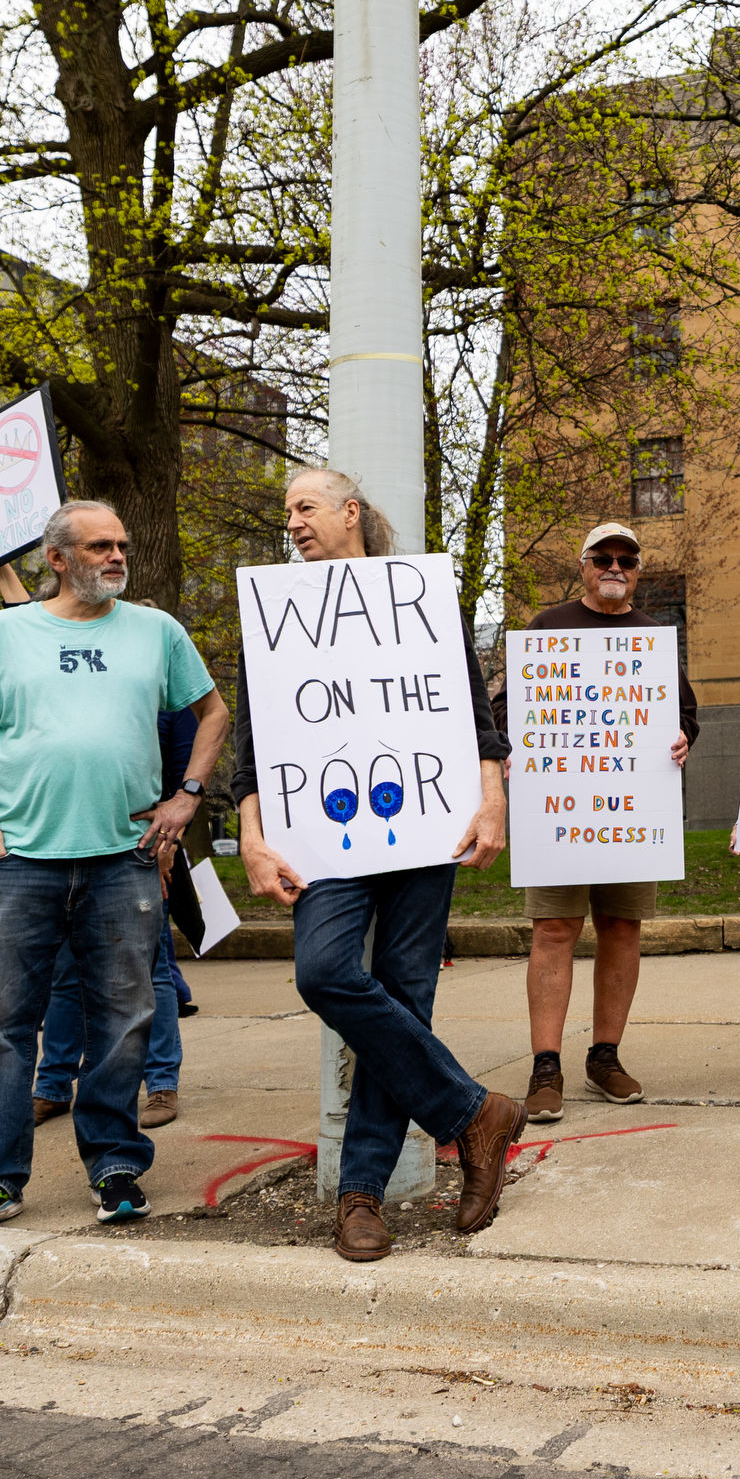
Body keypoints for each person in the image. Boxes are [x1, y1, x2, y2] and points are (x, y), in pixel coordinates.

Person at [235, 466, 524, 1264]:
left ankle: (360, 1193)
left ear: (351, 511)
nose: (293, 521)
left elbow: (475, 718)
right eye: (287, 510)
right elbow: (255, 742)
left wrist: (491, 801)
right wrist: (253, 836)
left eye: (305, 506)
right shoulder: (276, 609)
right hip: (322, 834)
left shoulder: (420, 595)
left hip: (425, 823)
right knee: (325, 972)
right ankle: (473, 1113)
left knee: (405, 994)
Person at [0, 500, 226, 1231]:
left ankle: (115, 1165)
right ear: (57, 558)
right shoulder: (5, 632)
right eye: (99, 546)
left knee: (124, 1022)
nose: (117, 556)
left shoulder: (158, 632)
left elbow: (214, 713)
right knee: (0, 1025)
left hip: (123, 860)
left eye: (121, 544)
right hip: (17, 862)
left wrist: (187, 797)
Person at [506, 520, 697, 1122]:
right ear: (583, 566)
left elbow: (685, 714)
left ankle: (604, 1057)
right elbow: (508, 707)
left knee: (621, 927)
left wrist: (683, 738)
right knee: (553, 929)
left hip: (633, 810)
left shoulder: (653, 638)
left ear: (637, 571)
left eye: (627, 560)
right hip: (558, 812)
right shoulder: (546, 628)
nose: (615, 567)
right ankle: (546, 1067)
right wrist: (510, 748)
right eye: (603, 558)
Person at [34, 703, 199, 1130]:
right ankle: (52, 1086)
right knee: (65, 972)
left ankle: (161, 1082)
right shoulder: (76, 685)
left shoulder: (171, 699)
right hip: (67, 845)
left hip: (139, 849)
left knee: (152, 969)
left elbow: (185, 780)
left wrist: (167, 845)